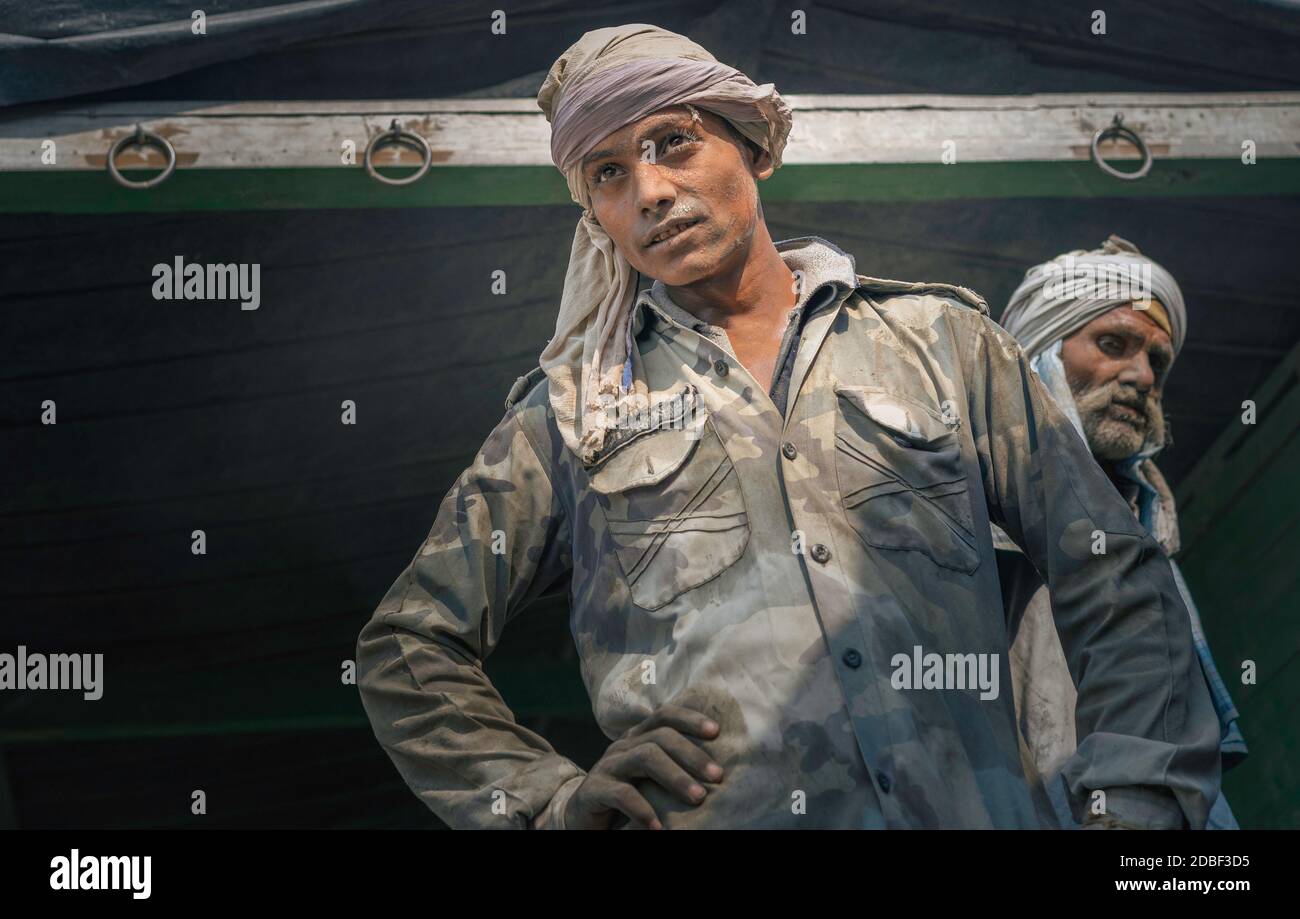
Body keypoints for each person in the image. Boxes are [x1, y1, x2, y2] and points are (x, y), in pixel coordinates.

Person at [355, 23, 1221, 829]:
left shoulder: (942, 344)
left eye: (674, 141)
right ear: (596, 216)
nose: (650, 190)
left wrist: (1135, 807)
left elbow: (1114, 578)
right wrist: (549, 797)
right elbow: (406, 644)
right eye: (608, 173)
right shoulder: (569, 416)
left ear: (754, 146)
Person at [997, 235, 1248, 829]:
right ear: (1042, 351)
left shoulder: (1144, 525)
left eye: (1157, 361)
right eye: (1113, 345)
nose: (1140, 376)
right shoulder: (960, 502)